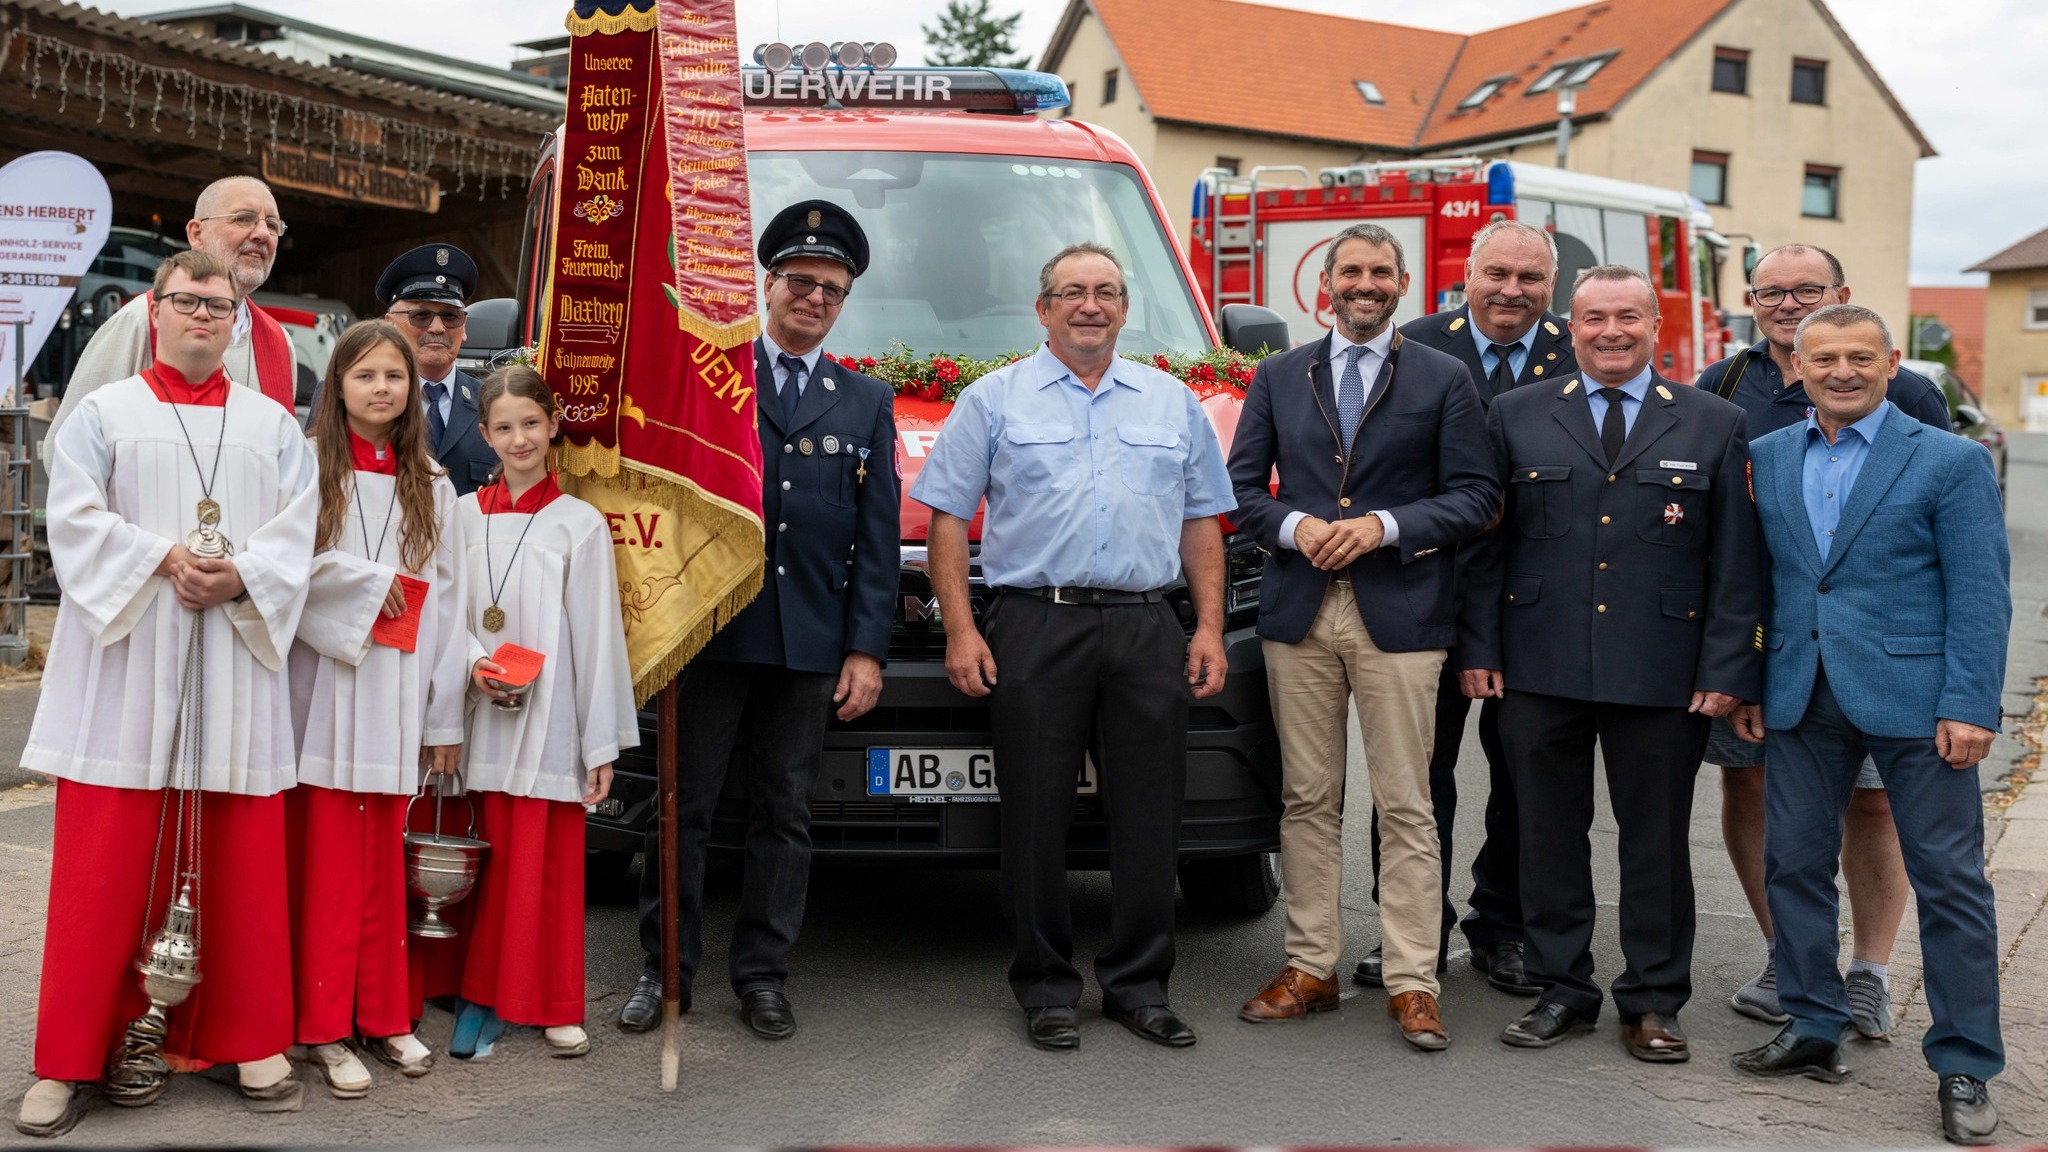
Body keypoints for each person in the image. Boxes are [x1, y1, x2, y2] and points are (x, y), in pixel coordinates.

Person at [14, 250, 318, 1136]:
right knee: (101, 872)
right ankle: (67, 1058)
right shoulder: (103, 412)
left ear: (236, 323)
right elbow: (68, 520)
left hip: (232, 665)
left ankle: (248, 1037)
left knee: (241, 864)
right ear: (155, 313)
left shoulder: (272, 427)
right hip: (128, 665)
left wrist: (244, 576)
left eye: (217, 307)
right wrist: (163, 557)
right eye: (186, 302)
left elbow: (298, 536)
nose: (201, 317)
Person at [912, 243, 1233, 1052]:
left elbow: (1202, 522)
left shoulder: (1170, 402)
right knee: (1033, 813)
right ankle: (1047, 986)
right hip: (1035, 621)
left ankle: (1139, 986)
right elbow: (947, 516)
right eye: (1072, 293)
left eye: (1106, 293)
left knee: (1149, 815)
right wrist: (960, 627)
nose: (1090, 306)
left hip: (1144, 623)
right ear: (1043, 308)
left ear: (1125, 309)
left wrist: (1208, 626)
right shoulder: (993, 400)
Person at [1460, 264, 1762, 1064]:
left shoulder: (1713, 422)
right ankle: (1565, 989)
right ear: (1571, 327)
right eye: (1593, 319)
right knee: (1546, 835)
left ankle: (1654, 1002)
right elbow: (1487, 547)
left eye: (1628, 317)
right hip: (1536, 662)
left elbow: (1738, 564)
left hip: (1663, 670)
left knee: (1656, 841)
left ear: (1656, 327)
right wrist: (1480, 649)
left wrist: (1728, 667)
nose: (1611, 333)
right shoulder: (1514, 413)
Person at [1730, 304, 2008, 1147]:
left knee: (1952, 882)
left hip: (1922, 701)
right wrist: (1750, 679)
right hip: (1799, 691)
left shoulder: (1949, 460)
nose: (1841, 371)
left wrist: (1969, 702)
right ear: (1799, 368)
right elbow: (1765, 580)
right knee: (1794, 864)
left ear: (1891, 362)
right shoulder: (1769, 455)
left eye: (1859, 357)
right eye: (1824, 359)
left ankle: (1965, 1062)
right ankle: (1813, 1024)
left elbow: (1982, 591)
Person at [622, 200, 899, 1041]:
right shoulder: (712, 377)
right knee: (685, 806)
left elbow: (878, 539)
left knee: (786, 810)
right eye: (802, 282)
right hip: (707, 632)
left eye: (833, 289)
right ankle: (663, 969)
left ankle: (764, 974)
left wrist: (866, 650)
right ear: (768, 284)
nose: (815, 299)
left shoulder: (865, 402)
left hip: (810, 642)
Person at [1224, 223, 1497, 1049]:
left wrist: (1382, 525)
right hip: (1300, 611)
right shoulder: (1278, 373)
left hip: (1402, 615)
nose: (1365, 283)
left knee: (1407, 803)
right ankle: (1310, 967)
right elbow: (1239, 489)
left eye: (1381, 272)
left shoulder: (1445, 377)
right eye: (1352, 271)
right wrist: (1297, 526)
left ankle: (1415, 979)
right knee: (1307, 798)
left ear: (1402, 283)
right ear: (1327, 285)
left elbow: (1476, 496)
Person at [1694, 243, 1947, 1035]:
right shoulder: (1724, 386)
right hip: (1768, 647)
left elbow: (1938, 525)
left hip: (1876, 655)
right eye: (1772, 291)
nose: (1788, 302)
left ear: (1842, 291)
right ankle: (1790, 958)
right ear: (1751, 301)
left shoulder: (1905, 391)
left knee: (1873, 806)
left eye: (1808, 288)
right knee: (1753, 790)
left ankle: (1868, 972)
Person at [1364, 218, 1578, 996]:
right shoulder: (1411, 345)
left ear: (1550, 286)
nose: (1511, 292)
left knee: (1525, 775)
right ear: (1467, 276)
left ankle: (1505, 928)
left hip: (1536, 604)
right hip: (1425, 596)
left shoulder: (1576, 352)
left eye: (1529, 279)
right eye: (1498, 275)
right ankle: (1408, 932)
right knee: (1414, 777)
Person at [286, 320, 469, 1096]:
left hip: (395, 692)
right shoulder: (304, 469)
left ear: (411, 391)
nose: (382, 389)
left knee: (381, 866)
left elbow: (451, 607)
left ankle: (385, 1013)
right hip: (323, 690)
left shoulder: (431, 482)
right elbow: (278, 567)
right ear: (338, 386)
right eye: (365, 376)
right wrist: (363, 587)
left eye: (394, 376)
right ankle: (324, 1027)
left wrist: (443, 720)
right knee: (329, 864)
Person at [449, 366, 638, 1060]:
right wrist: (474, 662)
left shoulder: (579, 523)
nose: (519, 438)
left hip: (551, 717)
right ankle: (479, 995)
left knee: (547, 868)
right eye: (504, 426)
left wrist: (600, 744)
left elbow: (596, 636)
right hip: (480, 713)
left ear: (554, 423)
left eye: (531, 422)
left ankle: (554, 1001)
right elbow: (450, 614)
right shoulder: (461, 516)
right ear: (484, 435)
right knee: (488, 867)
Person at [46, 176, 295, 452]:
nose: (262, 234)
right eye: (244, 218)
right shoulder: (141, 320)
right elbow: (68, 448)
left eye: (272, 225)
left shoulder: (279, 342)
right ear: (197, 234)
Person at [374, 244, 498, 495]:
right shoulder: (357, 398)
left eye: (451, 317)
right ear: (390, 324)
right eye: (421, 315)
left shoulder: (493, 405)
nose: (438, 328)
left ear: (464, 327)